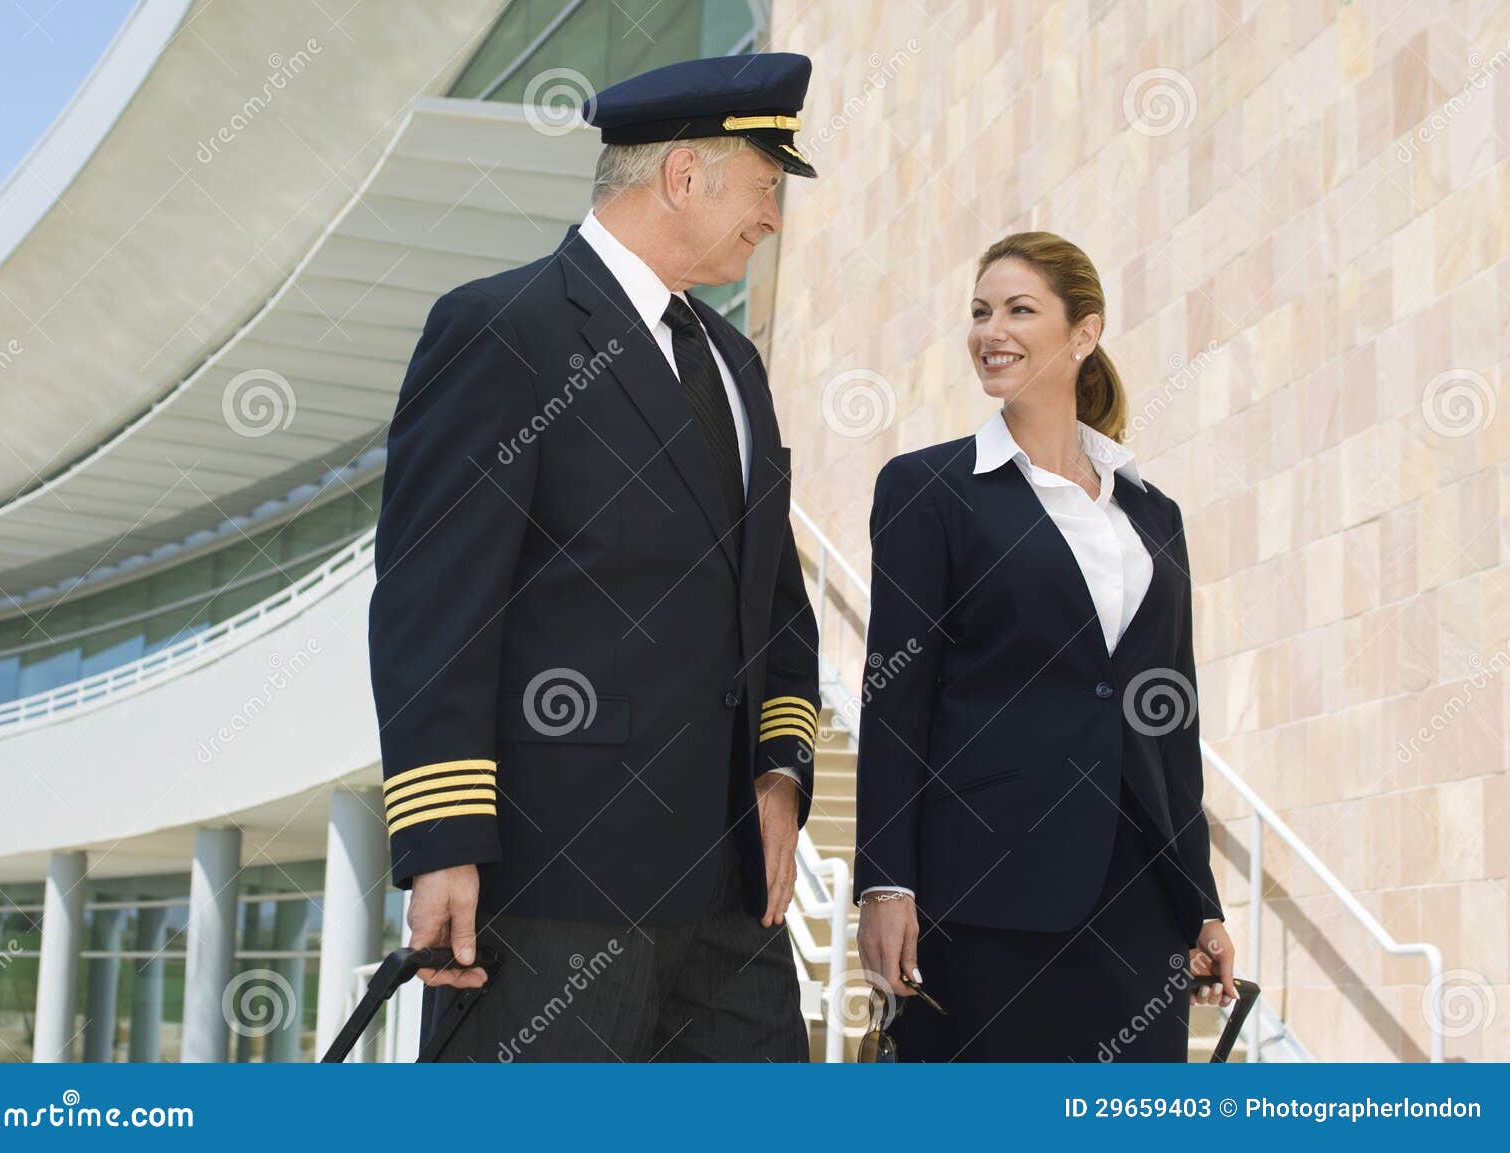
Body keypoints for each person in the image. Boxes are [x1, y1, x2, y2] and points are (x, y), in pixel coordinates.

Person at [367, 53, 822, 1061]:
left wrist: (782, 775)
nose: (773, 218)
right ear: (684, 177)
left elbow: (775, 607)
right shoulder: (503, 329)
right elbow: (433, 603)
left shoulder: (735, 363)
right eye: (764, 188)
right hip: (552, 887)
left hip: (729, 897)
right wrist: (441, 842)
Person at [852, 230, 1237, 1061]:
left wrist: (1199, 900)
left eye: (1021, 309)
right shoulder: (929, 490)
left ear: (1082, 333)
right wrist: (885, 880)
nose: (993, 330)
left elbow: (1171, 719)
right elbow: (894, 700)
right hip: (984, 888)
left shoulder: (1151, 512)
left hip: (1137, 899)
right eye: (981, 311)